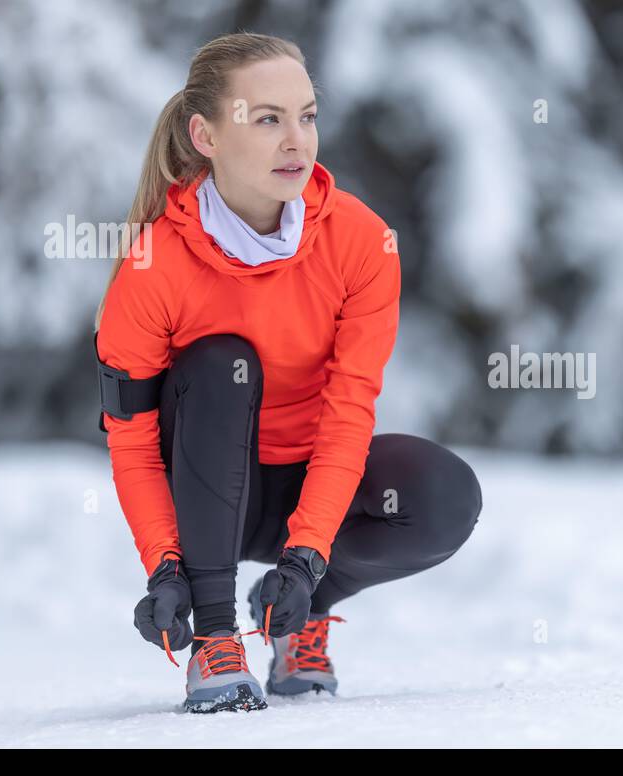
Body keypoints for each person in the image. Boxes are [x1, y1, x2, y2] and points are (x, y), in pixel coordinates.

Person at [93, 32, 482, 713]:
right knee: (225, 362)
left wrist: (305, 560)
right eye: (267, 119)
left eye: (306, 115)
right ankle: (217, 635)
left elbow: (349, 412)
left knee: (444, 494)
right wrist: (164, 567)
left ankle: (298, 613)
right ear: (205, 135)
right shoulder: (153, 265)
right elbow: (131, 438)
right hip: (205, 496)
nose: (297, 141)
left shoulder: (360, 241)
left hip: (309, 491)